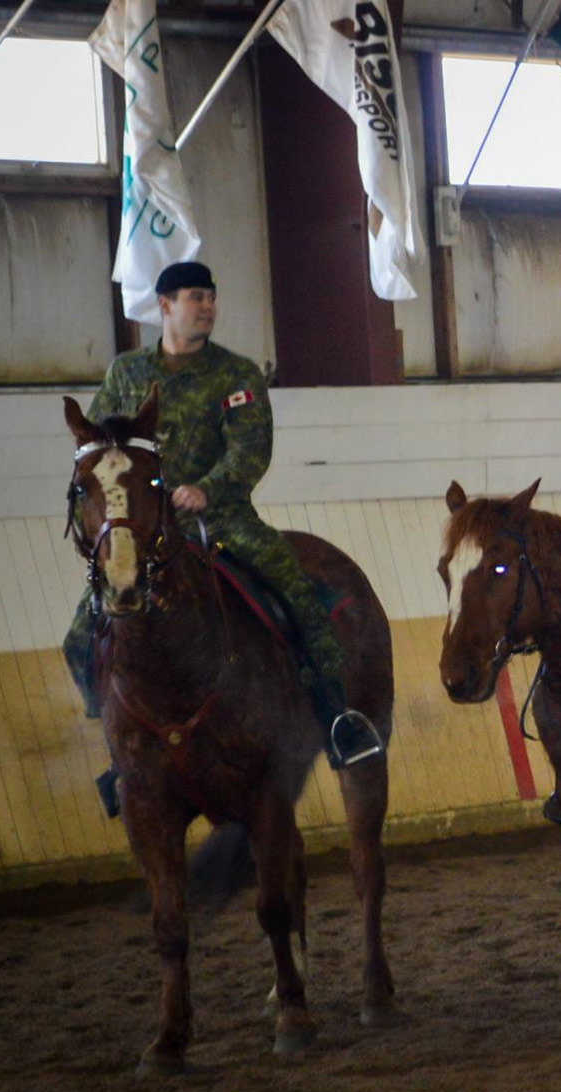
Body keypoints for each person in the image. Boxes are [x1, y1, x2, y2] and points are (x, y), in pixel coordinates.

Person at [67, 261, 383, 815]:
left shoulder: (236, 375)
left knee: (298, 595)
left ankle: (339, 720)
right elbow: (97, 447)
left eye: (211, 297)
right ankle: (121, 751)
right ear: (164, 306)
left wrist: (207, 490)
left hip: (223, 519)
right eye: (195, 297)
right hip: (146, 530)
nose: (207, 306)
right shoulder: (127, 373)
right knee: (81, 633)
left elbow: (250, 450)